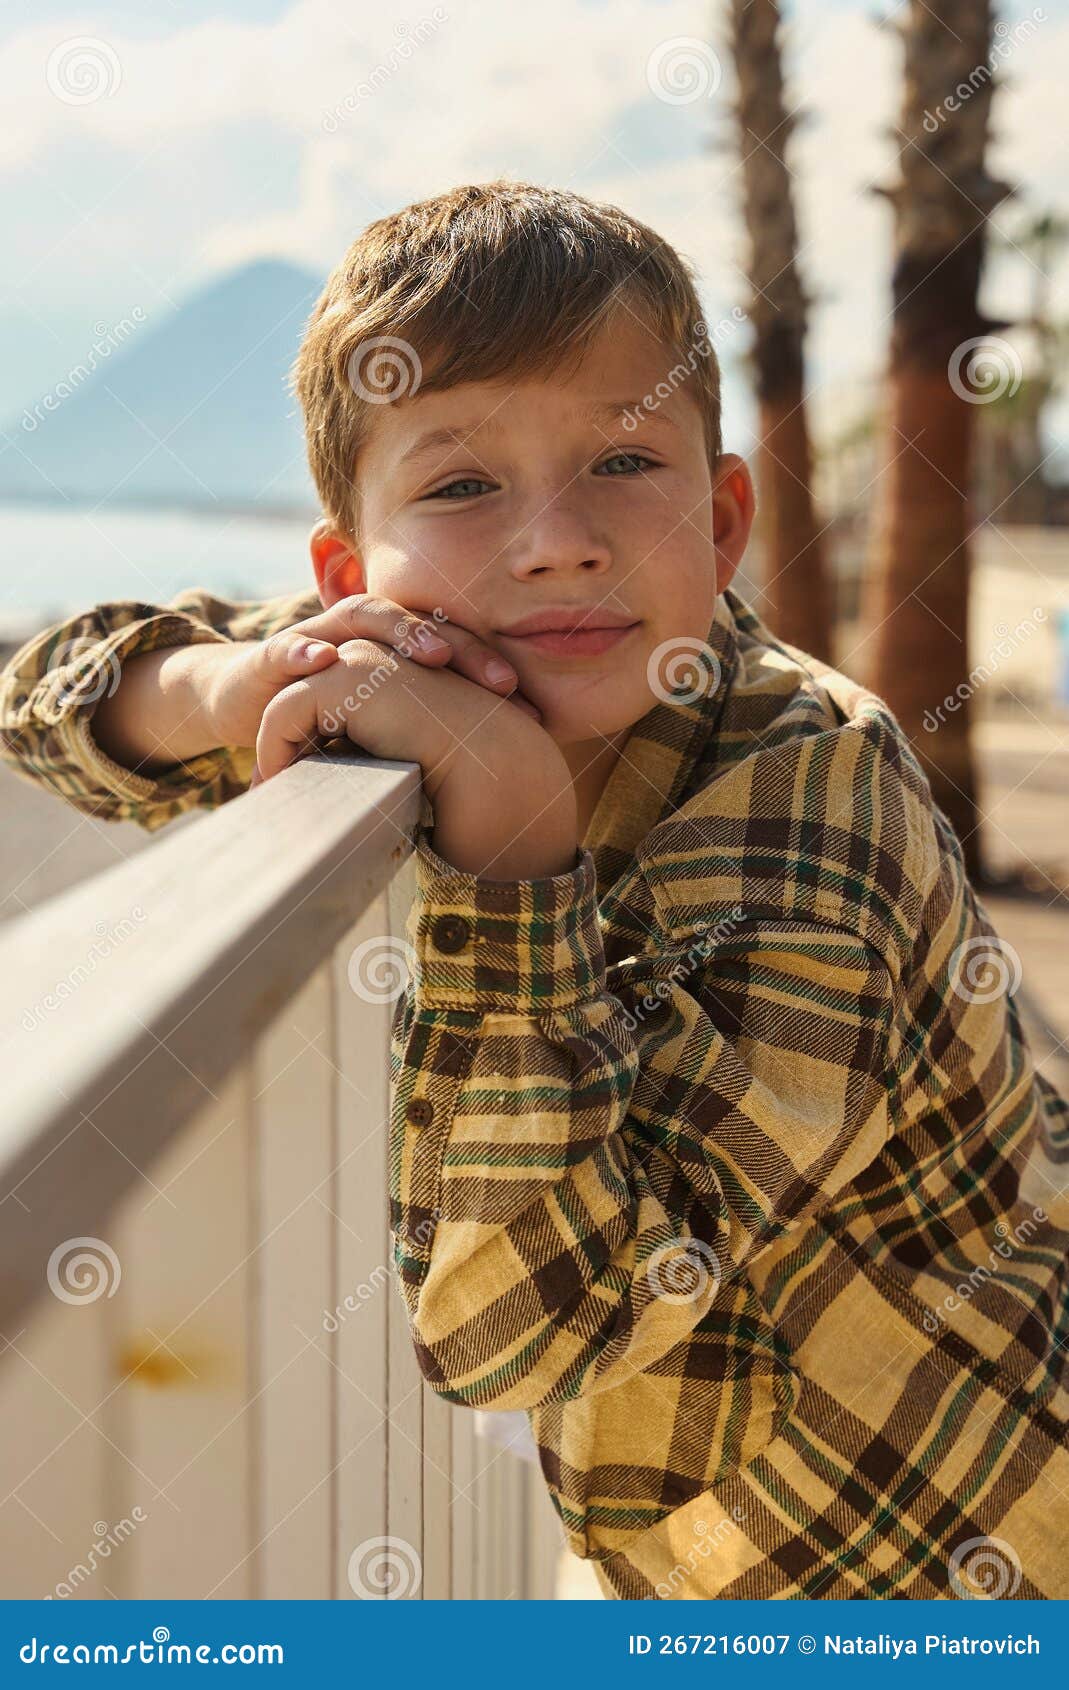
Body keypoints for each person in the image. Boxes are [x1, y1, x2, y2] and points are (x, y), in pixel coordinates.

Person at [2, 180, 1067, 1600]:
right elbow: (39, 692)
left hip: (957, 1550)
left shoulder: (811, 792)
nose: (553, 537)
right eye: (458, 486)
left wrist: (512, 855)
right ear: (349, 579)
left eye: (623, 464)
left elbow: (540, 1328)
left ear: (727, 516)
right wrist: (230, 683)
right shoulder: (428, 649)